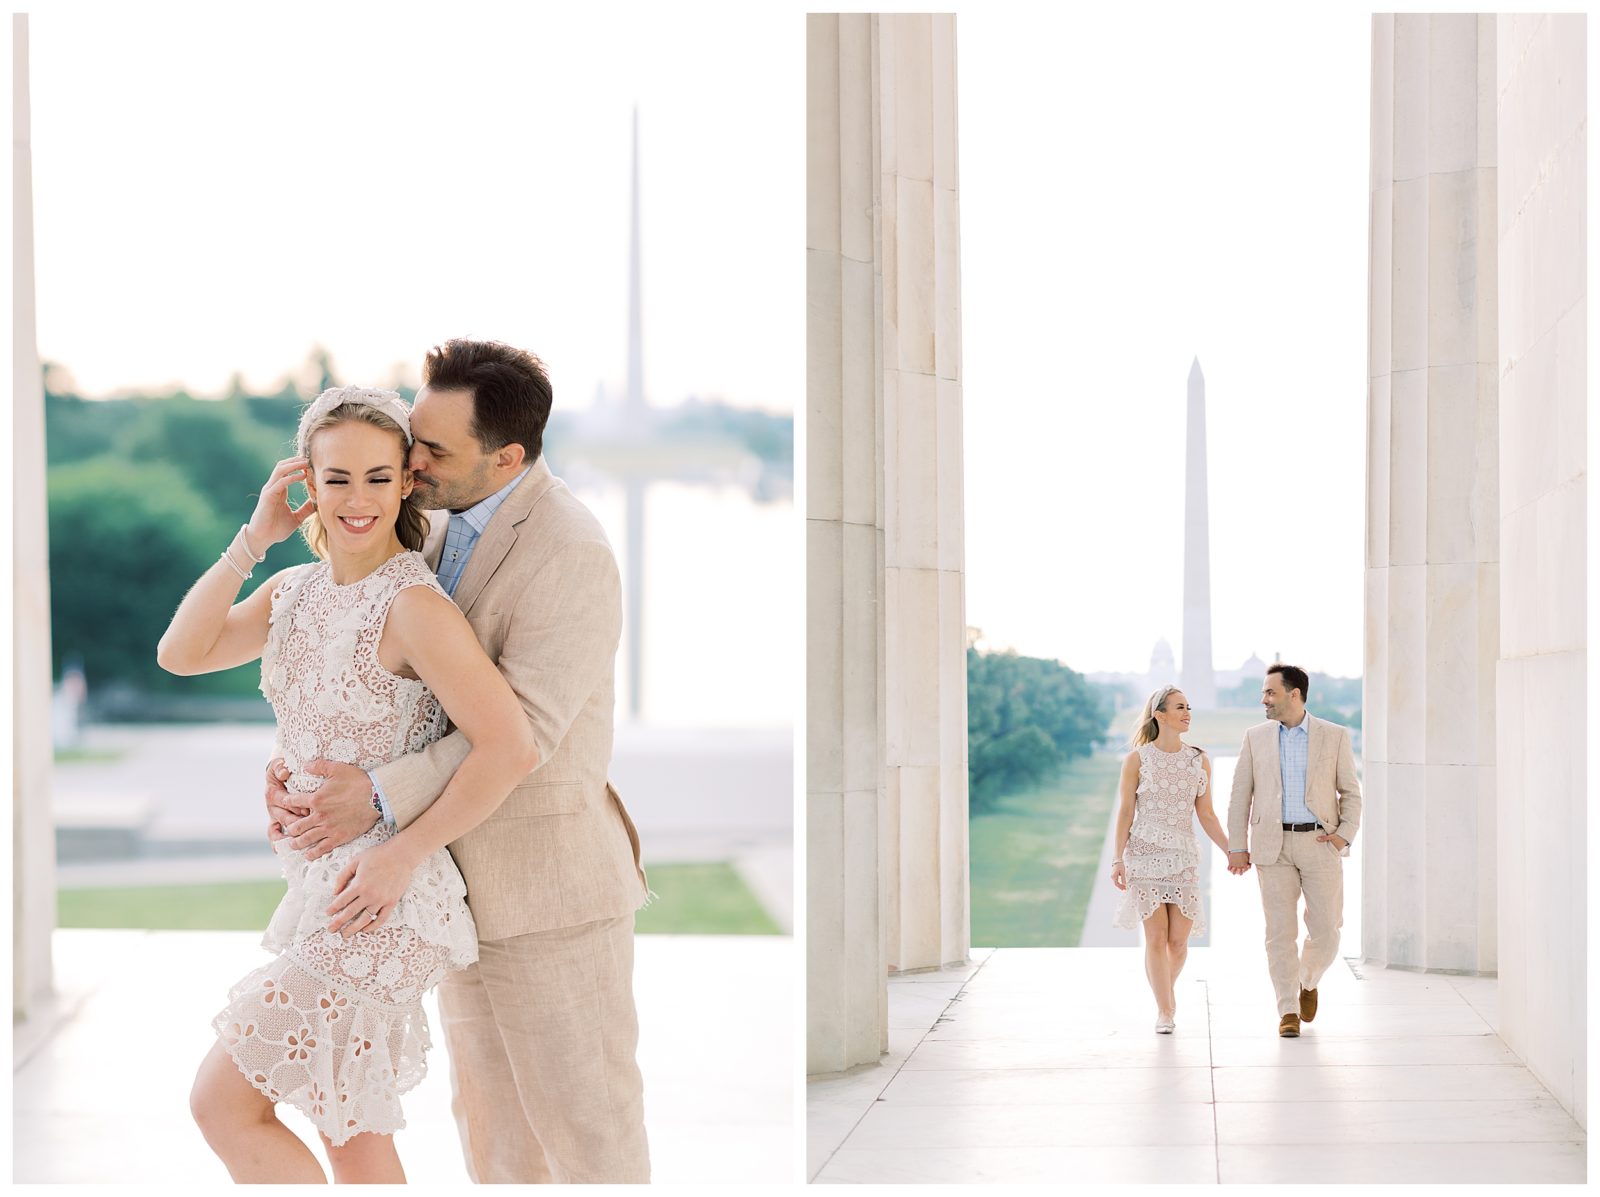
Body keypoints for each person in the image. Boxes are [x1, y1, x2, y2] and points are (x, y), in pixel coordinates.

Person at [264, 339, 651, 1184]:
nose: (413, 460)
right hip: (453, 888)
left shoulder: (570, 550)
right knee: (494, 1140)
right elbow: (379, 675)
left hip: (548, 893)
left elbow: (523, 731)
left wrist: (375, 798)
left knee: (589, 1138)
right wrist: (300, 761)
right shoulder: (432, 525)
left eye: (433, 448)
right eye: (415, 435)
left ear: (506, 456)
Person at [158, 386, 538, 1183]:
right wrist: (253, 539)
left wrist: (403, 854)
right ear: (307, 483)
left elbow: (509, 746)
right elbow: (181, 653)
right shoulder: (292, 592)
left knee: (220, 1102)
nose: (357, 499)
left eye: (376, 476)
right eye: (337, 478)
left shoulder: (412, 606)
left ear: (406, 481)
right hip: (325, 889)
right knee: (352, 1136)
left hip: (386, 904)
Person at [1226, 662, 1363, 1037]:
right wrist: (1237, 846)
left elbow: (1351, 792)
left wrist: (1343, 835)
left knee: (1327, 931)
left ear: (1294, 694)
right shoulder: (1255, 737)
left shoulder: (1334, 735)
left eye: (1270, 692)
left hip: (1320, 843)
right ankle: (1287, 1009)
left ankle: (1308, 980)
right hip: (1272, 847)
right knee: (1279, 933)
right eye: (1263, 693)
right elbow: (1240, 795)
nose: (1263, 700)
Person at [1110, 686, 1230, 1033]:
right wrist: (1117, 860)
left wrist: (1230, 849)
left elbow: (1206, 814)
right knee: (1156, 939)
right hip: (1145, 855)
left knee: (1178, 942)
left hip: (1184, 859)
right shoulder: (1137, 759)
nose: (1187, 712)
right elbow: (1126, 812)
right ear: (1159, 715)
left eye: (1189, 707)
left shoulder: (1198, 760)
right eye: (1179, 707)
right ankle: (1165, 1011)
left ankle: (1166, 993)